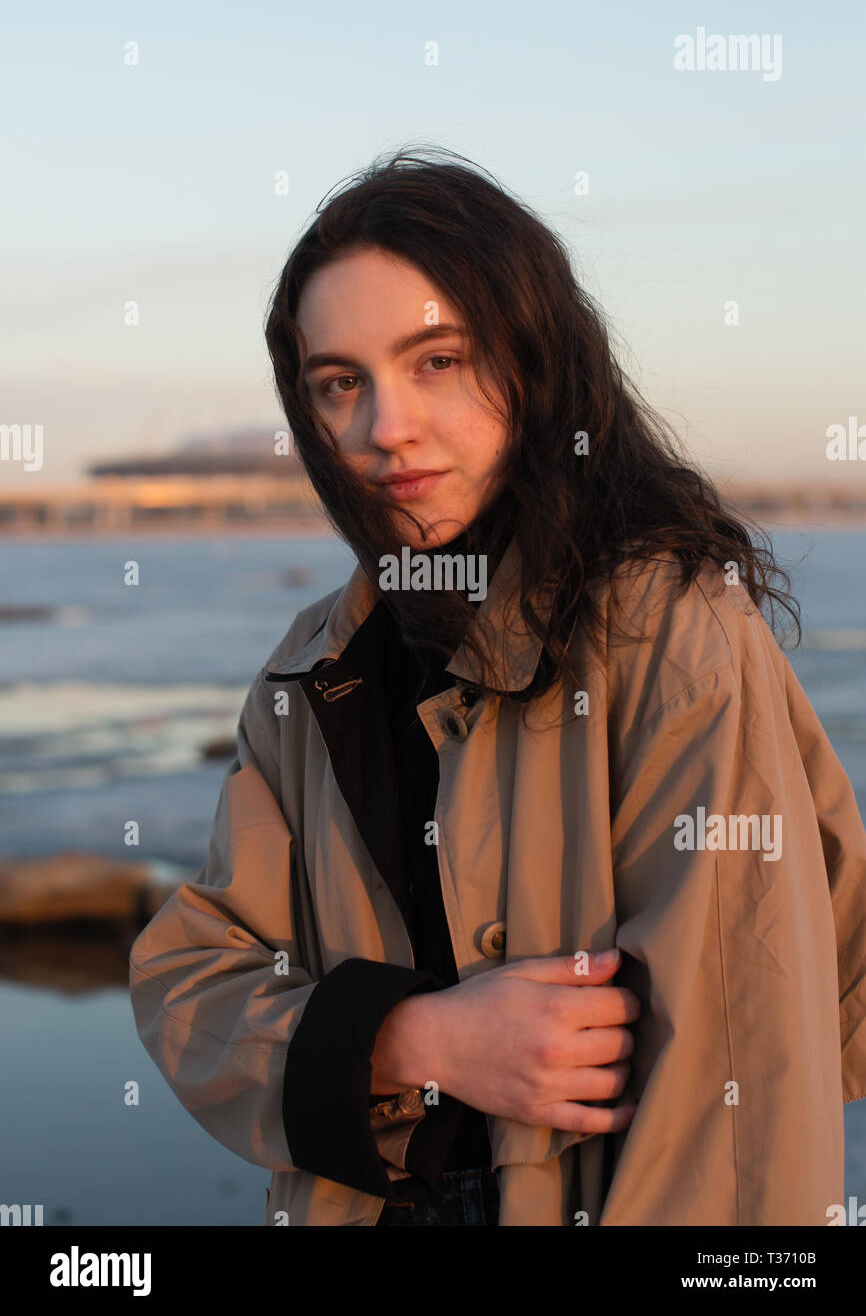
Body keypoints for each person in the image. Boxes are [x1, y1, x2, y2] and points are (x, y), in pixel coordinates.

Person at [129, 145, 866, 1227]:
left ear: (535, 359)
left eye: (437, 360)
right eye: (341, 383)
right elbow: (187, 971)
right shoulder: (314, 666)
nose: (384, 428)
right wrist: (410, 1039)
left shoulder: (666, 625)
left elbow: (732, 1093)